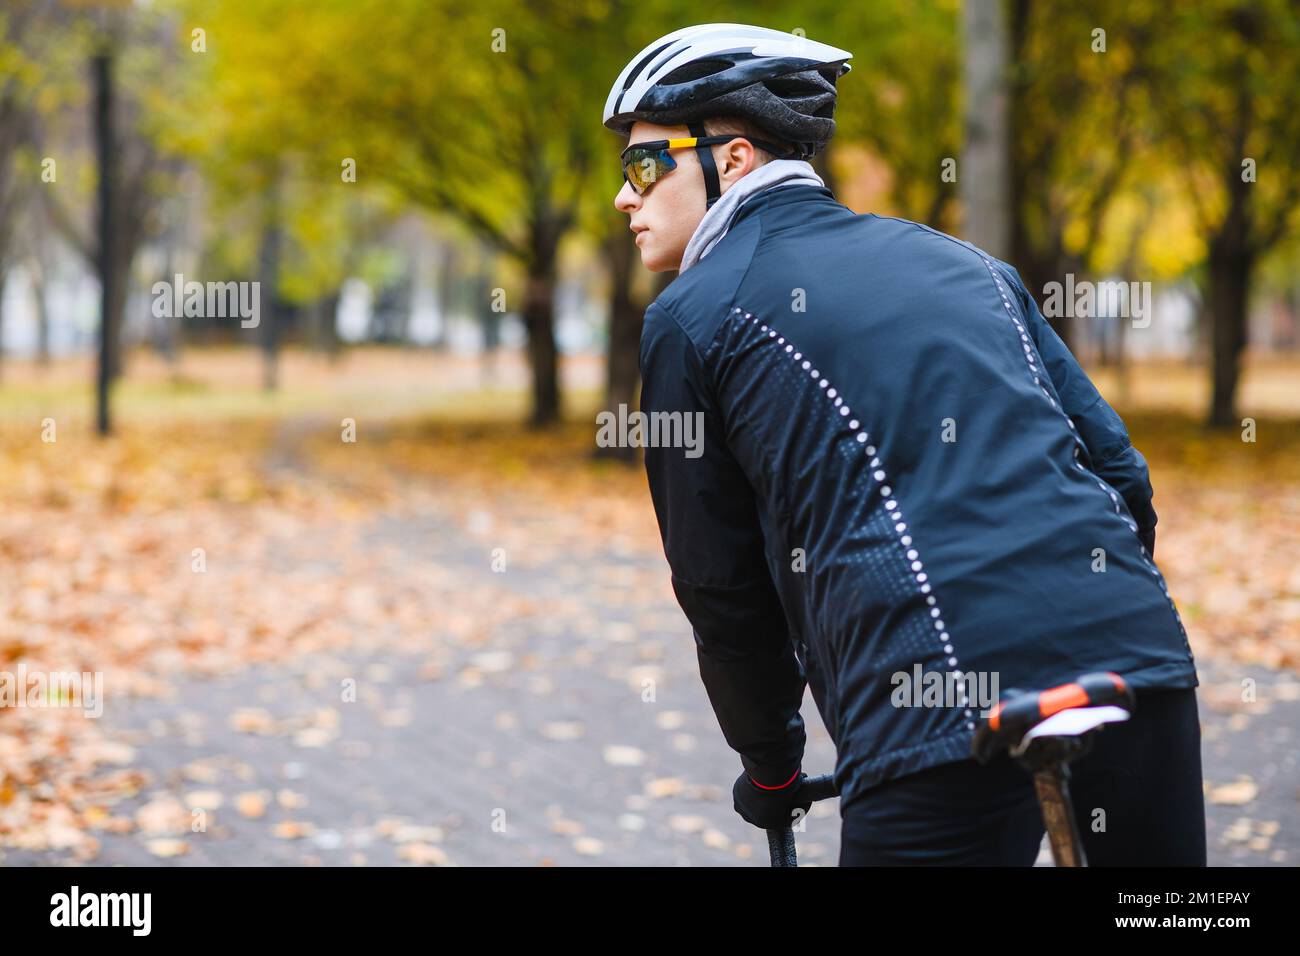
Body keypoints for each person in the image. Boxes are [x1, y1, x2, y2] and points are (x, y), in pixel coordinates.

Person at [604, 23, 1205, 865]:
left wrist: (772, 767)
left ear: (731, 158)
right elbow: (1118, 474)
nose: (624, 197)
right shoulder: (970, 265)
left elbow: (722, 590)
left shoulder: (690, 319)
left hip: (932, 700)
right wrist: (1078, 616)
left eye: (641, 165)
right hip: (1135, 663)